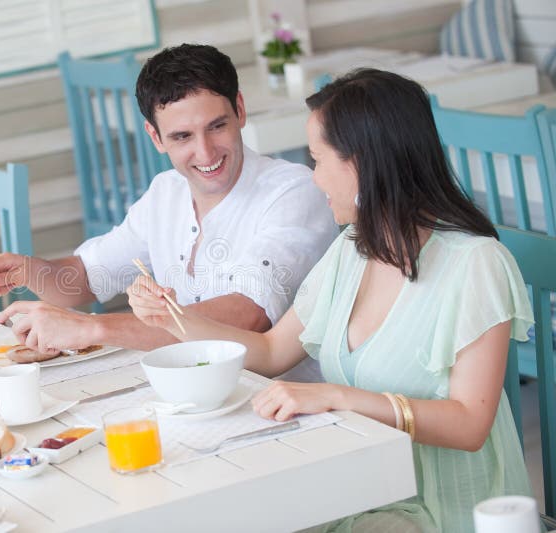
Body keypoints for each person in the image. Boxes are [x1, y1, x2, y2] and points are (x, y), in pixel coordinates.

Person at [127, 68, 534, 532]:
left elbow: (468, 425)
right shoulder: (352, 249)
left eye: (318, 161)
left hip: (443, 508)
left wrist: (337, 396)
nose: (314, 179)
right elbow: (272, 351)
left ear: (361, 163)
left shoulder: (476, 263)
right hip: (361, 486)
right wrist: (171, 316)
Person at [0, 44, 337, 364]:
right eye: (182, 136)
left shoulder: (293, 192)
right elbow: (87, 278)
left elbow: (248, 315)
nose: (205, 152)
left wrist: (92, 328)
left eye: (216, 126)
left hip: (283, 401)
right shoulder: (166, 192)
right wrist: (31, 272)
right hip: (193, 391)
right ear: (156, 137)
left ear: (239, 110)